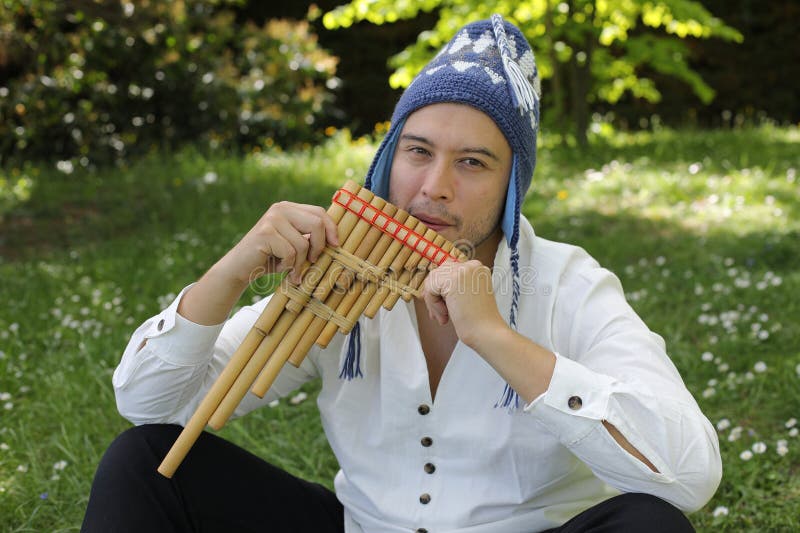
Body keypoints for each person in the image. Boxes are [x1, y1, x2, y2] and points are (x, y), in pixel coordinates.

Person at [82, 15, 721, 533]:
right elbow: (150, 406)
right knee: (142, 463)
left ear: (512, 186)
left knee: (650, 524)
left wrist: (494, 336)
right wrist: (229, 272)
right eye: (418, 152)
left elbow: (688, 476)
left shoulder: (570, 286)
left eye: (472, 162)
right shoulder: (342, 271)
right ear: (389, 158)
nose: (434, 187)